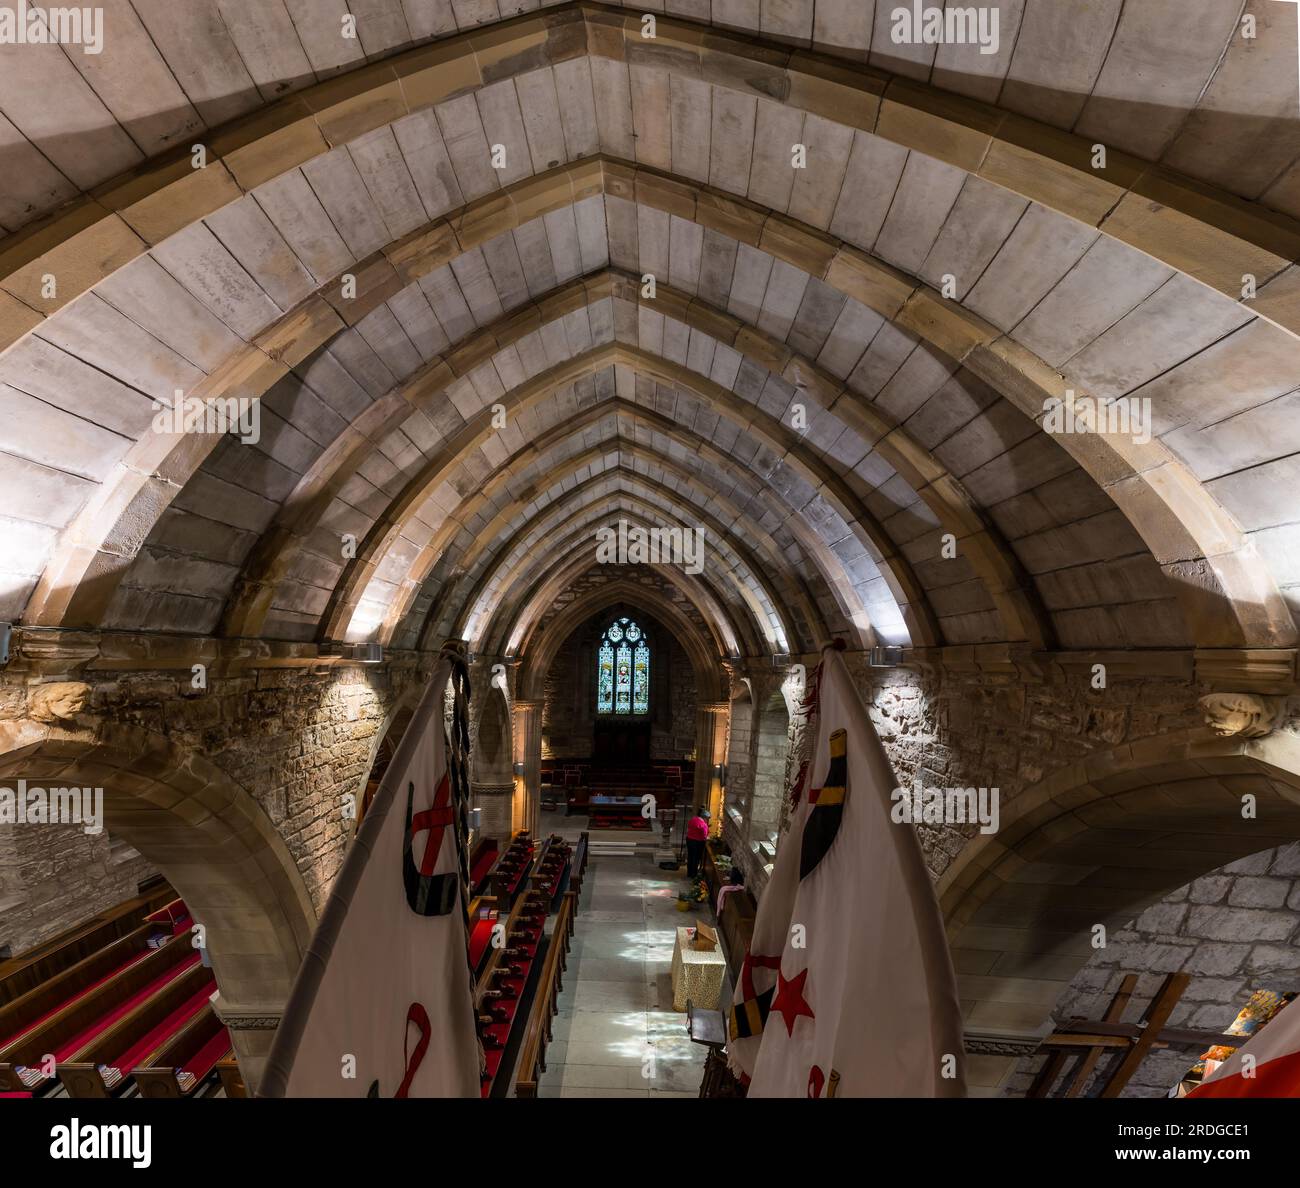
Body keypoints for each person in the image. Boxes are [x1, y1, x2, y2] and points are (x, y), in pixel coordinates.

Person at [685, 806, 710, 877]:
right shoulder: (703, 825)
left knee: (690, 857)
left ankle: (689, 873)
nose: (707, 820)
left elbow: (689, 827)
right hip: (697, 843)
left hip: (689, 840)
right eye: (707, 818)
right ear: (704, 817)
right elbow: (704, 836)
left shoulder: (693, 819)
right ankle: (694, 874)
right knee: (696, 858)